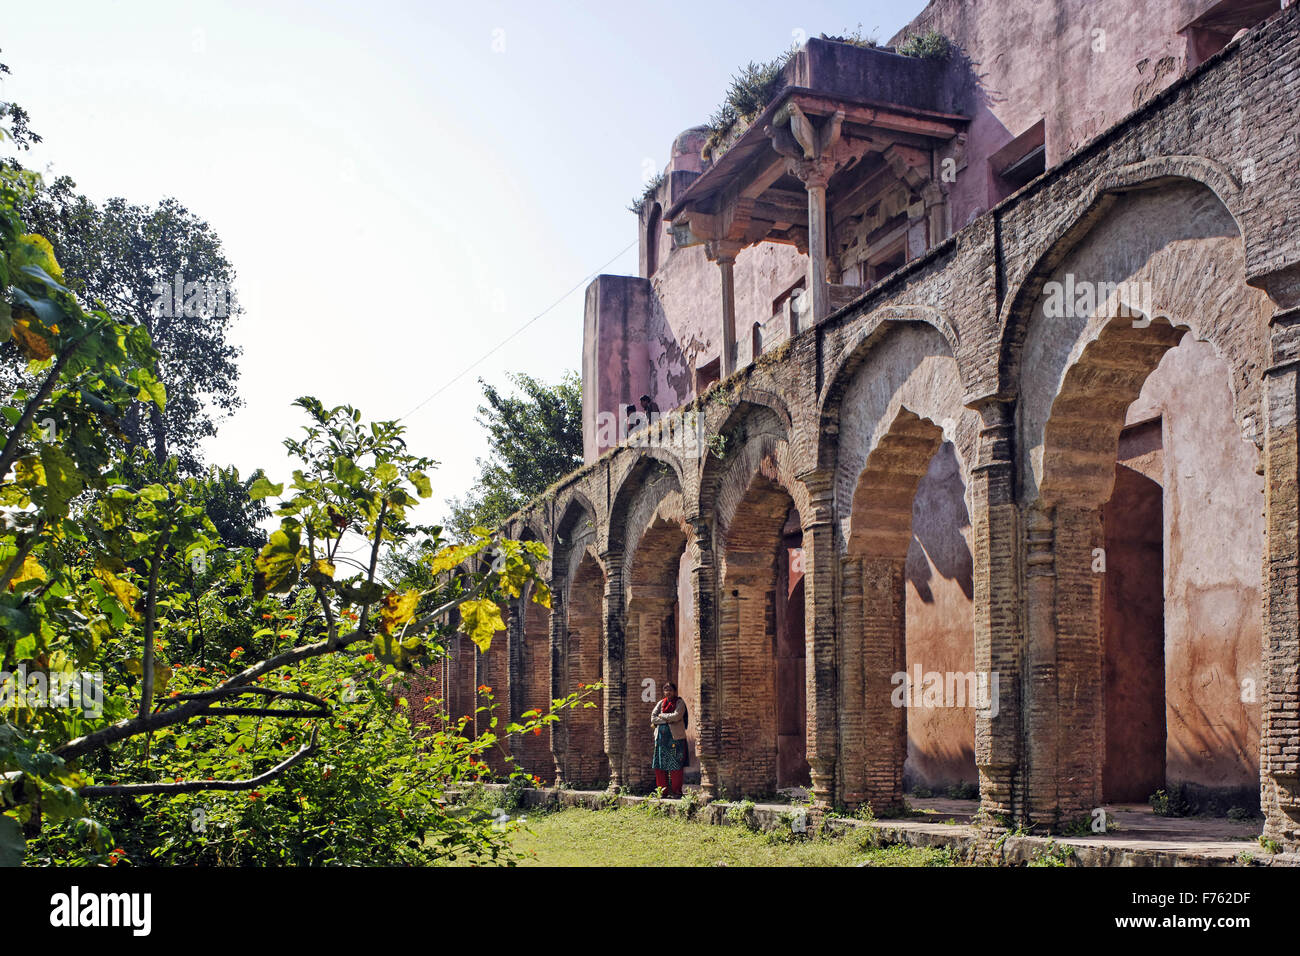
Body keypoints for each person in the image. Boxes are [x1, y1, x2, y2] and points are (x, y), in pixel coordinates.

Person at [650, 681, 688, 797]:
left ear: (674, 691)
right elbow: (653, 718)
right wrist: (667, 719)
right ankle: (663, 791)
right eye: (666, 690)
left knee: (675, 765)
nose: (668, 692)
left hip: (675, 740)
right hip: (661, 741)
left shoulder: (680, 703)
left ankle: (676, 791)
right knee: (660, 766)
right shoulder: (661, 703)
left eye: (670, 689)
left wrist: (662, 716)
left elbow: (677, 716)